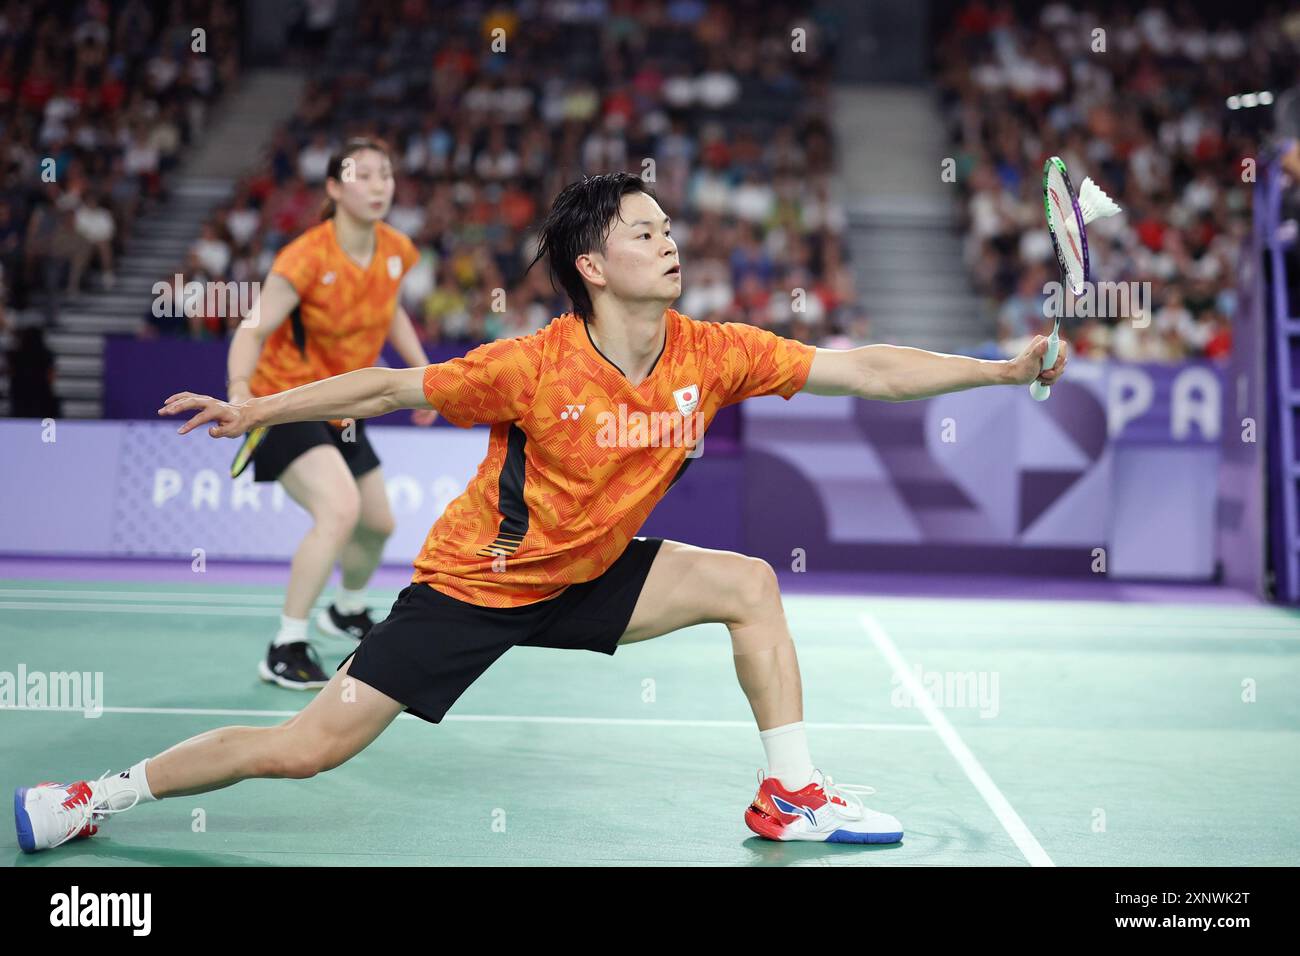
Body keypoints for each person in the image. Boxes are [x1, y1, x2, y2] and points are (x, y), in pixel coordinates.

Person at [15, 173, 1066, 851]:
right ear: (593, 267)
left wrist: (1000, 367)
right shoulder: (528, 365)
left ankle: (787, 794)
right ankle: (97, 794)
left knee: (749, 583)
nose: (669, 242)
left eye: (667, 227)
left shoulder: (716, 351)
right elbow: (382, 387)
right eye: (643, 232)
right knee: (307, 749)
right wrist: (253, 404)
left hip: (595, 570)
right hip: (478, 583)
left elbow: (868, 369)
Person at [225, 137, 437, 689]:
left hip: (344, 409)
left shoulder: (395, 249)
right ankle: (286, 643)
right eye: (362, 175)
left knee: (378, 524)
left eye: (385, 175)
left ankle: (344, 610)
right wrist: (241, 393)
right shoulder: (305, 256)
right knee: (339, 510)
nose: (378, 185)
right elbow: (253, 327)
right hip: (284, 403)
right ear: (335, 189)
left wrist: (423, 377)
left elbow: (388, 311)